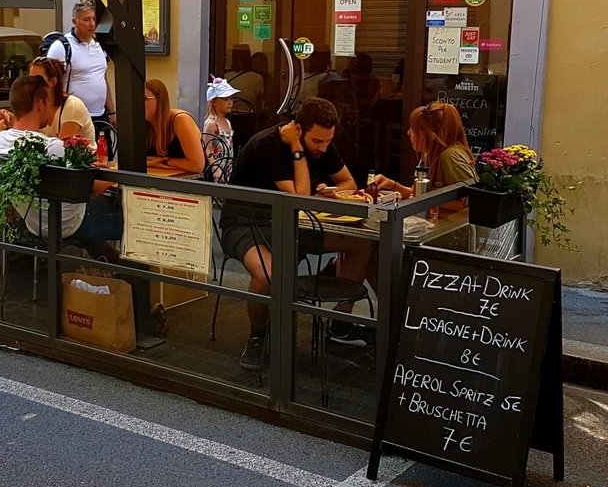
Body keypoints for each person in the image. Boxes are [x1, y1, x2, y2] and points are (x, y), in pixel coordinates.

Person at [220, 98, 361, 370]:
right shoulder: (268, 145)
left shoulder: (322, 143)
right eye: (317, 141)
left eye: (328, 141)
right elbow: (300, 199)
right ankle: (258, 335)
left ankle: (340, 326)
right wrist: (297, 149)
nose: (323, 148)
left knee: (361, 244)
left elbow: (348, 182)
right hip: (246, 223)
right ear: (297, 129)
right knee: (268, 274)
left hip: (295, 225)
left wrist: (331, 191)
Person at [0, 76, 121, 242]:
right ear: (40, 104)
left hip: (33, 223)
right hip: (67, 223)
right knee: (129, 214)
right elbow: (91, 188)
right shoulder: (52, 147)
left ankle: (103, 256)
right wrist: (118, 172)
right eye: (51, 103)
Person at [374, 101, 478, 208]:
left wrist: (424, 200)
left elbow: (469, 201)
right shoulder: (429, 153)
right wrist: (393, 185)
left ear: (431, 134)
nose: (409, 132)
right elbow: (419, 194)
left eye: (414, 129)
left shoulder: (450, 156)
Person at [46, 1, 116, 124]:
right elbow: (49, 84)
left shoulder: (99, 45)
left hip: (100, 115)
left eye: (94, 19)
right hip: (73, 117)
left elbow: (102, 78)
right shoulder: (62, 47)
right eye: (86, 19)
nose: (92, 24)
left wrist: (111, 112)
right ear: (75, 22)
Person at [28, 56, 96, 145]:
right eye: (29, 79)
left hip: (78, 153)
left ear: (53, 81)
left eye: (38, 79)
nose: (32, 84)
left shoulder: (72, 106)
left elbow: (61, 147)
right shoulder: (36, 104)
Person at [144, 79, 206, 175]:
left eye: (145, 98)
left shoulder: (181, 120)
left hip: (191, 180)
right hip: (160, 178)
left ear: (160, 100)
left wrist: (163, 162)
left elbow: (197, 166)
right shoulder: (142, 123)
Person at [223, 45, 263, 110]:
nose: (236, 61)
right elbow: (259, 103)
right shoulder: (257, 78)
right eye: (235, 58)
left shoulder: (225, 76)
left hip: (229, 113)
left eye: (239, 58)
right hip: (249, 113)